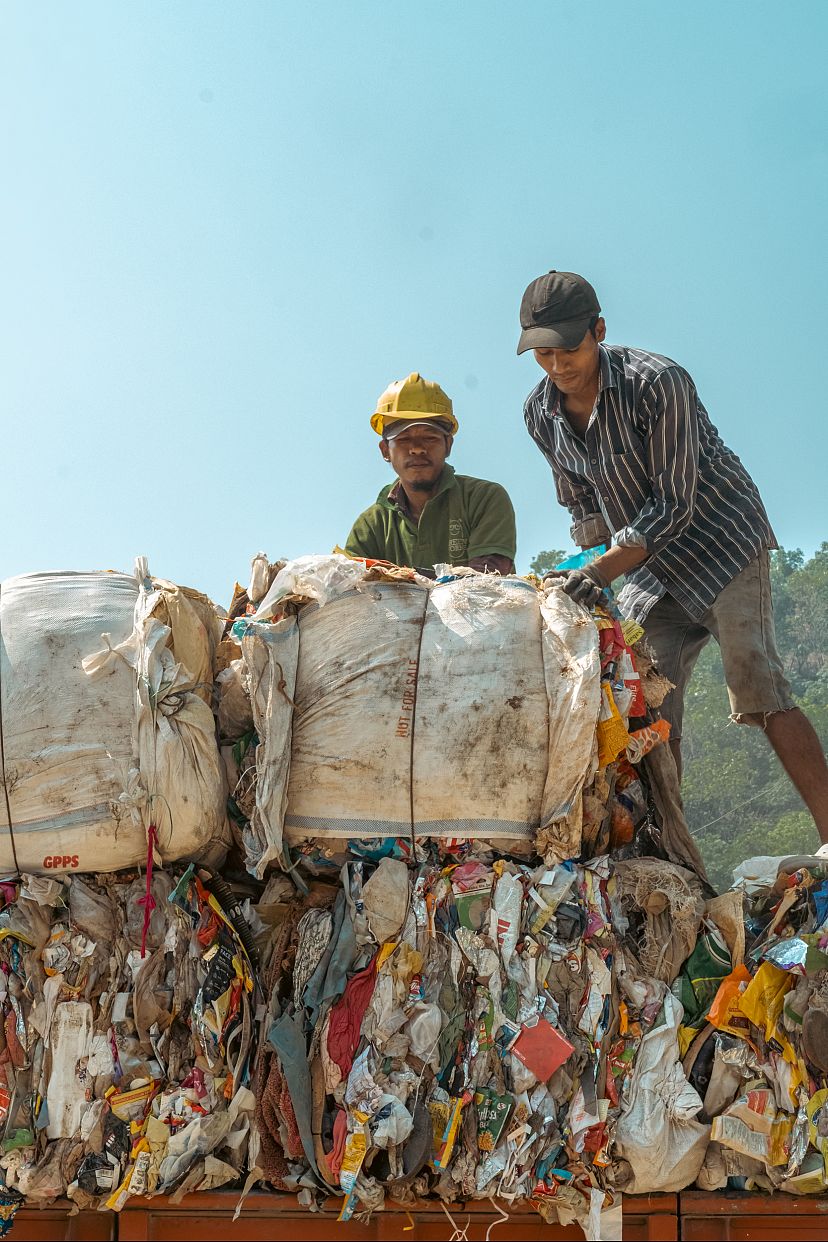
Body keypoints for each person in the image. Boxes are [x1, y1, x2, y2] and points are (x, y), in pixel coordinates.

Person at [517, 269, 828, 843]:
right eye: (542, 353)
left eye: (569, 348)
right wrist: (586, 579)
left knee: (756, 683)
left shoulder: (656, 382)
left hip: (719, 542)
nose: (558, 365)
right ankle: (676, 858)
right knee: (651, 719)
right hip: (646, 572)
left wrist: (602, 569)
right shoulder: (540, 415)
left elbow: (674, 503)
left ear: (599, 330)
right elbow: (584, 505)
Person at [345, 372, 516, 576]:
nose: (417, 449)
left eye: (430, 437)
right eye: (404, 439)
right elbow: (349, 586)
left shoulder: (483, 498)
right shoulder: (371, 524)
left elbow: (486, 582)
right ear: (385, 451)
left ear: (448, 445)